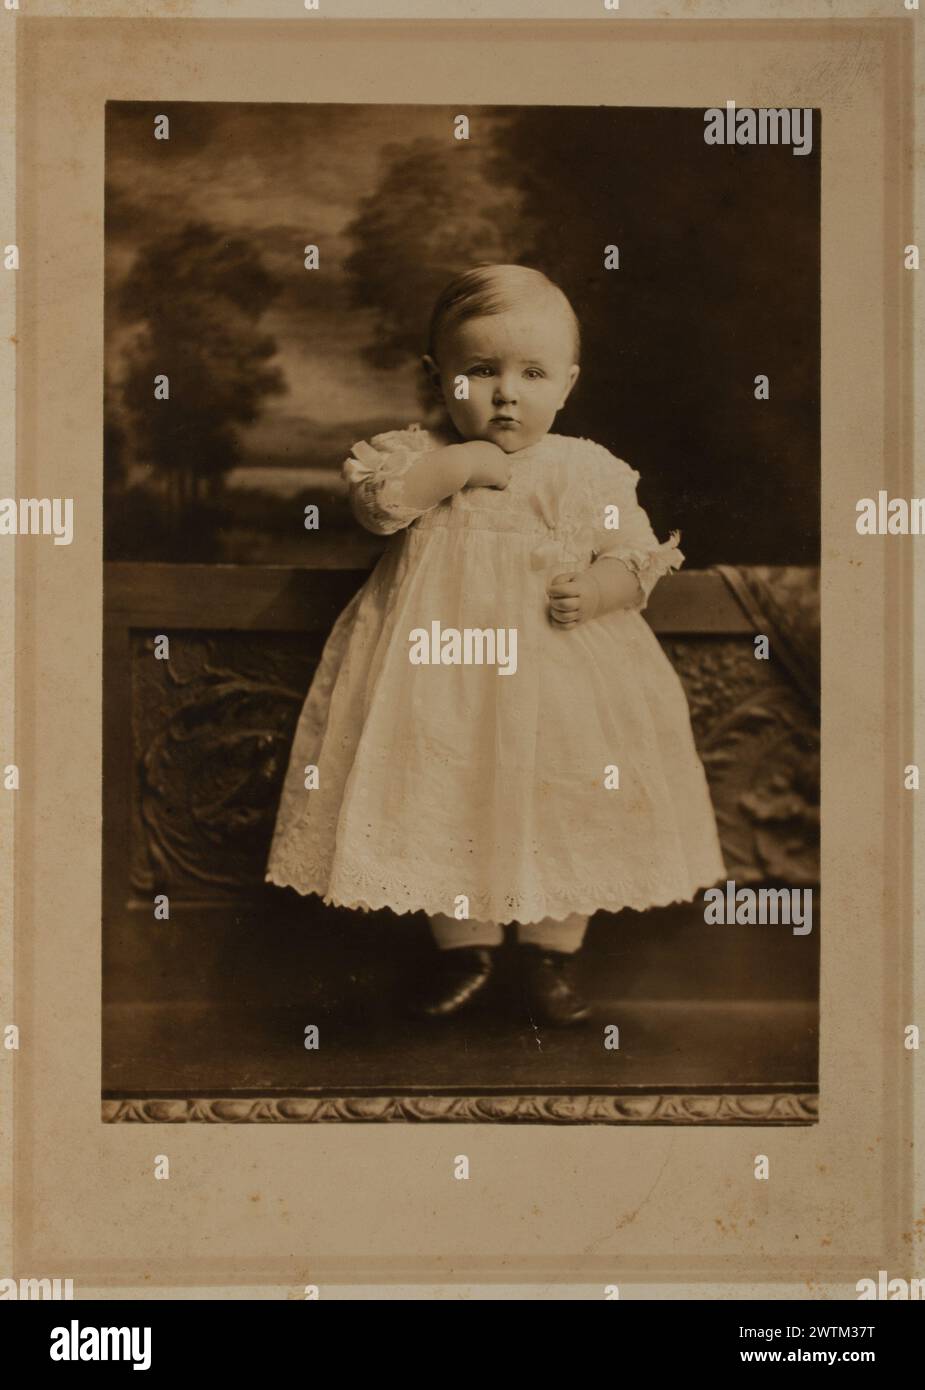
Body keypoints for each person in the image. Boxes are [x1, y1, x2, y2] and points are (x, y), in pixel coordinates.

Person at [265, 264, 725, 1026]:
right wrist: (459, 465)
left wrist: (602, 589)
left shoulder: (585, 469)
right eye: (480, 371)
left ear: (567, 384)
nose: (506, 392)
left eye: (531, 373)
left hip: (561, 670)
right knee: (444, 793)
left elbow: (636, 558)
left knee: (566, 796)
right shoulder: (413, 454)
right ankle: (465, 949)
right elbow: (378, 510)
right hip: (440, 674)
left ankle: (551, 956)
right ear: (435, 376)